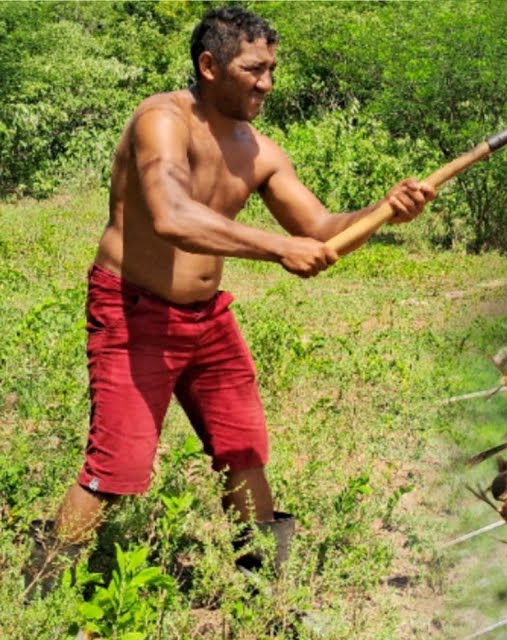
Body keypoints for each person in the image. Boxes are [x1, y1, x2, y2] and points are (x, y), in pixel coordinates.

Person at [23, 6, 434, 592]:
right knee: (120, 464)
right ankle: (41, 587)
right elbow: (172, 215)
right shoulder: (161, 120)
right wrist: (278, 248)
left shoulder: (260, 150)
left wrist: (384, 211)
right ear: (210, 65)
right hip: (133, 309)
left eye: (271, 70)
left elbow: (319, 228)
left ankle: (264, 588)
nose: (267, 83)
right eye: (253, 69)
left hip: (207, 317)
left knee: (243, 446)